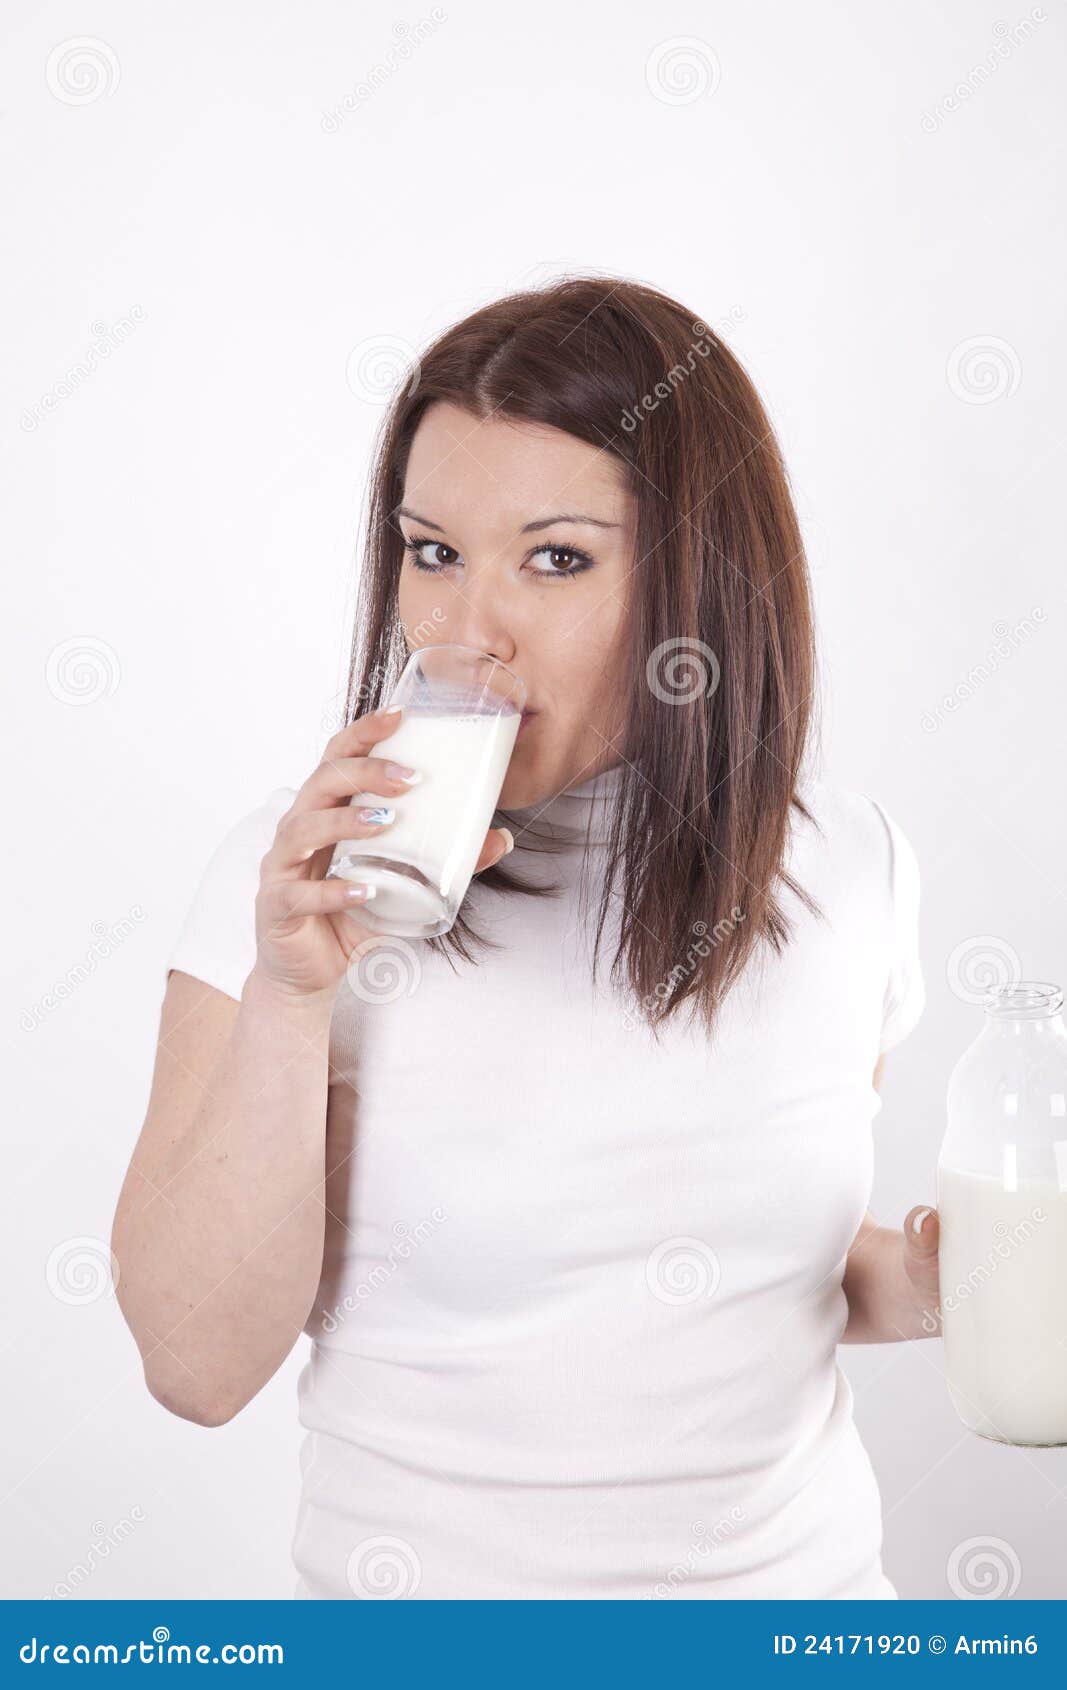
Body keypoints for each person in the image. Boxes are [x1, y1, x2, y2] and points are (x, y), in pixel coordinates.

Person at [112, 277, 938, 1600]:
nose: (462, 628)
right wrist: (288, 994)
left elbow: (769, 1267)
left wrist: (938, 1283)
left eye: (555, 557)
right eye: (431, 550)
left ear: (700, 586)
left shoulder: (848, 869)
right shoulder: (297, 885)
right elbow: (194, 1366)